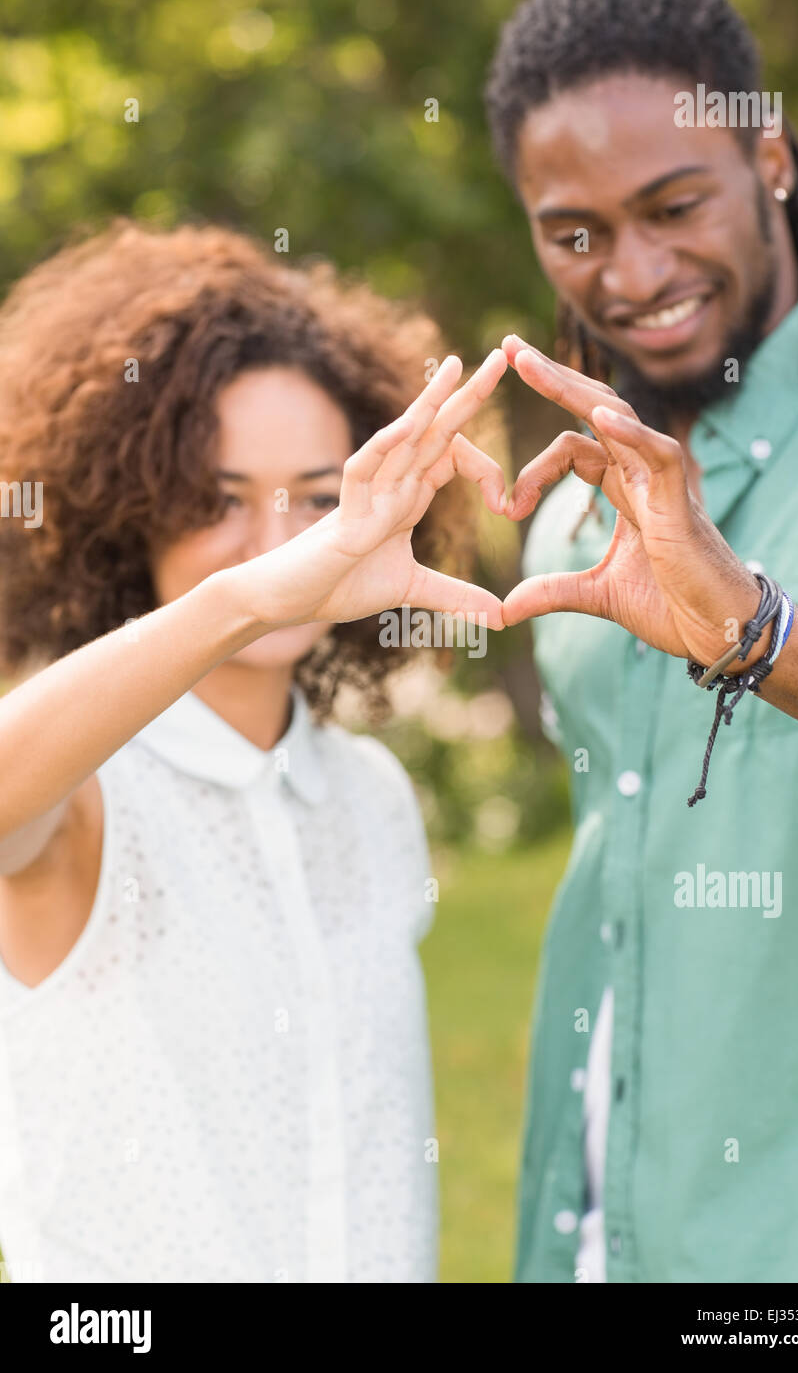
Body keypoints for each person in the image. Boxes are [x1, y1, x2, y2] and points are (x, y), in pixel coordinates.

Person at [0, 219, 508, 1283]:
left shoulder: (369, 794)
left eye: (319, 498)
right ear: (127, 506)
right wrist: (238, 603)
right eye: (217, 499)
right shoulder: (88, 785)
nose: (282, 541)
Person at [485, 0, 798, 1282]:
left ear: (766, 156)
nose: (631, 276)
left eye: (672, 206)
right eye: (574, 231)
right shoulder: (571, 514)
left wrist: (756, 634)